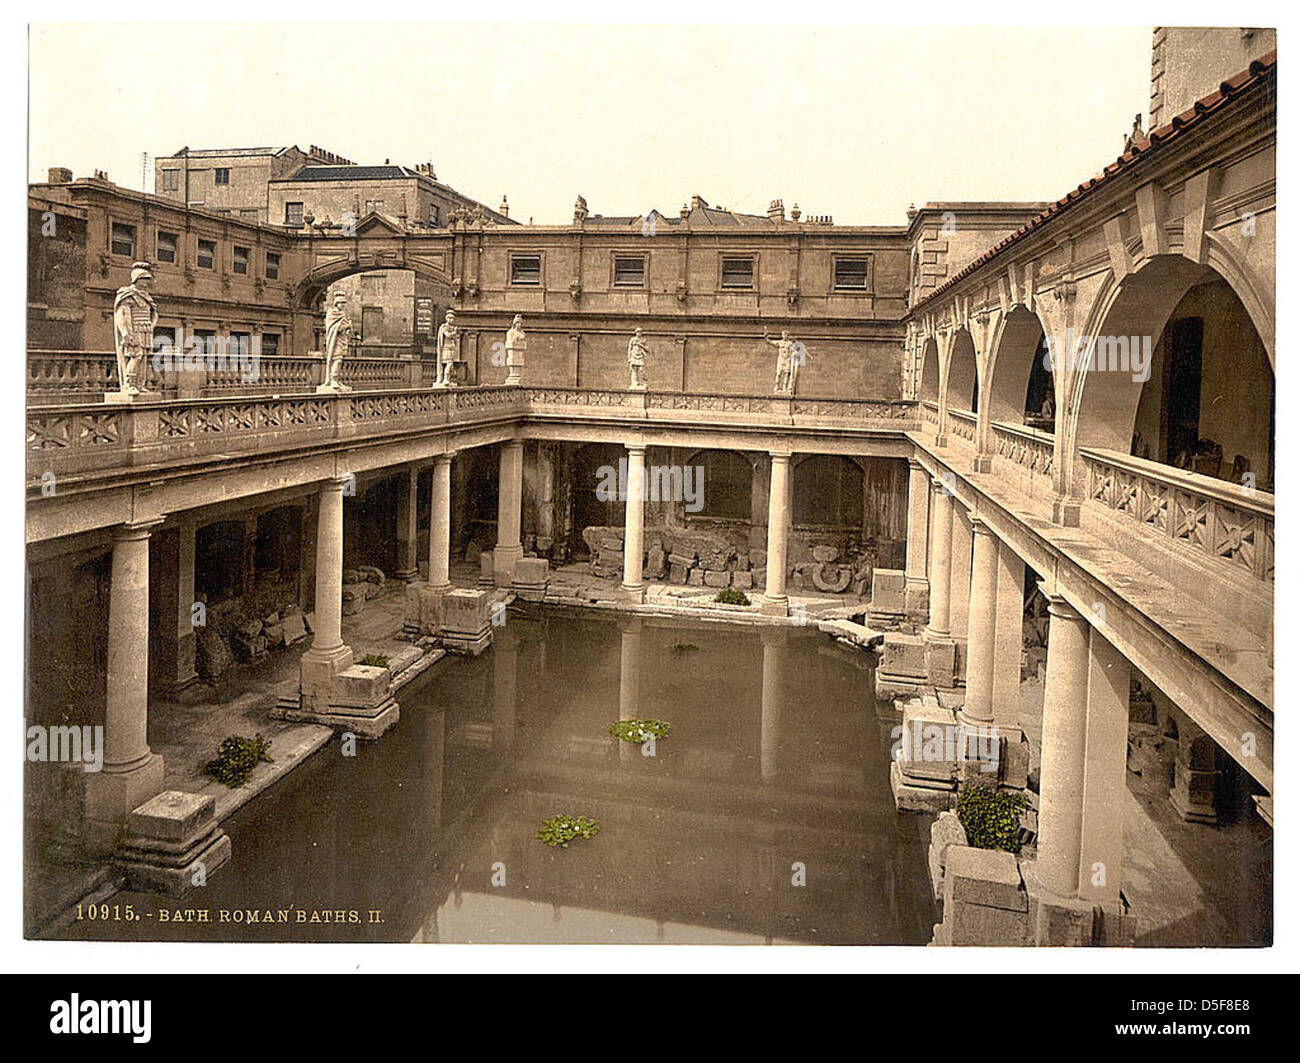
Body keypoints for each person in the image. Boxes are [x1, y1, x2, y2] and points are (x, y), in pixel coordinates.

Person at [112, 262, 158, 396]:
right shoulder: (127, 294)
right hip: (134, 330)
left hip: (146, 330)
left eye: (147, 279)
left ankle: (140, 384)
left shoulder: (146, 296)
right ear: (136, 279)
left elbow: (153, 313)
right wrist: (125, 333)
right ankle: (129, 384)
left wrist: (152, 324)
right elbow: (122, 315)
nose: (146, 282)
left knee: (143, 358)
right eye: (144, 279)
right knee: (136, 356)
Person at [321, 291, 353, 391]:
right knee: (337, 359)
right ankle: (333, 379)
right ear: (336, 303)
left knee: (339, 359)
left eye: (344, 303)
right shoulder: (332, 313)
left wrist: (348, 329)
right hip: (335, 341)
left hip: (342, 340)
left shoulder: (342, 314)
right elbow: (335, 329)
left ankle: (336, 379)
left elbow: (342, 329)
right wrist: (347, 326)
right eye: (341, 303)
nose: (343, 305)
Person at [436, 310, 461, 387]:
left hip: (452, 348)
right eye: (450, 318)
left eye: (453, 318)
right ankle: (445, 379)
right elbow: (447, 335)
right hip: (446, 348)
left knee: (450, 364)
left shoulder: (452, 327)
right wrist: (455, 332)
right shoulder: (445, 327)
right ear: (446, 318)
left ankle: (447, 378)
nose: (452, 320)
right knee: (449, 363)